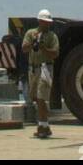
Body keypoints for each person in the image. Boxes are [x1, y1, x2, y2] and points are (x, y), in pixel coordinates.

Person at [22, 9, 59, 139]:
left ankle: (42, 126)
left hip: (45, 68)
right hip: (33, 69)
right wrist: (33, 43)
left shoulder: (52, 36)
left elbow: (55, 53)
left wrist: (44, 48)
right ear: (39, 21)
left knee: (41, 97)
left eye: (48, 22)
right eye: (45, 22)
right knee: (36, 98)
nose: (47, 25)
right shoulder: (30, 33)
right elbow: (24, 49)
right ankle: (44, 125)